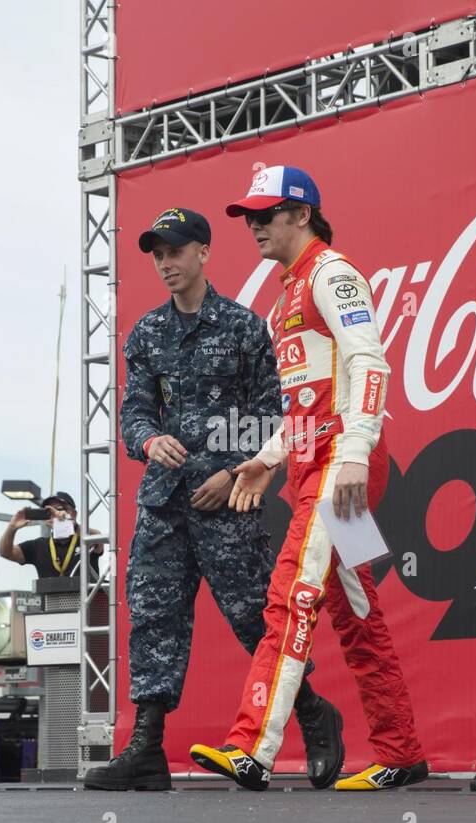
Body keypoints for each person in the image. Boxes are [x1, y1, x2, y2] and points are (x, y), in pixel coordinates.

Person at [83, 205, 341, 792]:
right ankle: (146, 748)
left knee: (255, 620)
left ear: (203, 252)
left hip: (229, 502)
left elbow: (272, 411)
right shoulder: (147, 332)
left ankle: (313, 715)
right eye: (156, 253)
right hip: (163, 502)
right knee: (153, 619)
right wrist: (148, 440)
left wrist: (232, 474)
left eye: (175, 251)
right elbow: (134, 412)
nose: (165, 263)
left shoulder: (244, 327)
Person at [189, 166, 427, 791]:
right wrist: (269, 459)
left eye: (267, 214)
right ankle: (401, 751)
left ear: (303, 214)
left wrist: (355, 452)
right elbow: (306, 402)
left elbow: (370, 363)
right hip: (315, 466)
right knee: (357, 614)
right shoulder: (285, 292)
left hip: (342, 469)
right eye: (249, 216)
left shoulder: (332, 274)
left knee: (291, 593)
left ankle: (252, 747)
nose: (255, 226)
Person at [0, 492, 104, 581]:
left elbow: (99, 538)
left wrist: (70, 524)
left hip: (87, 602)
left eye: (60, 509)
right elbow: (6, 552)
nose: (55, 514)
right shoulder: (39, 546)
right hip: (52, 603)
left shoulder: (85, 540)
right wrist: (11, 528)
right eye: (50, 511)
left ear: (74, 514)